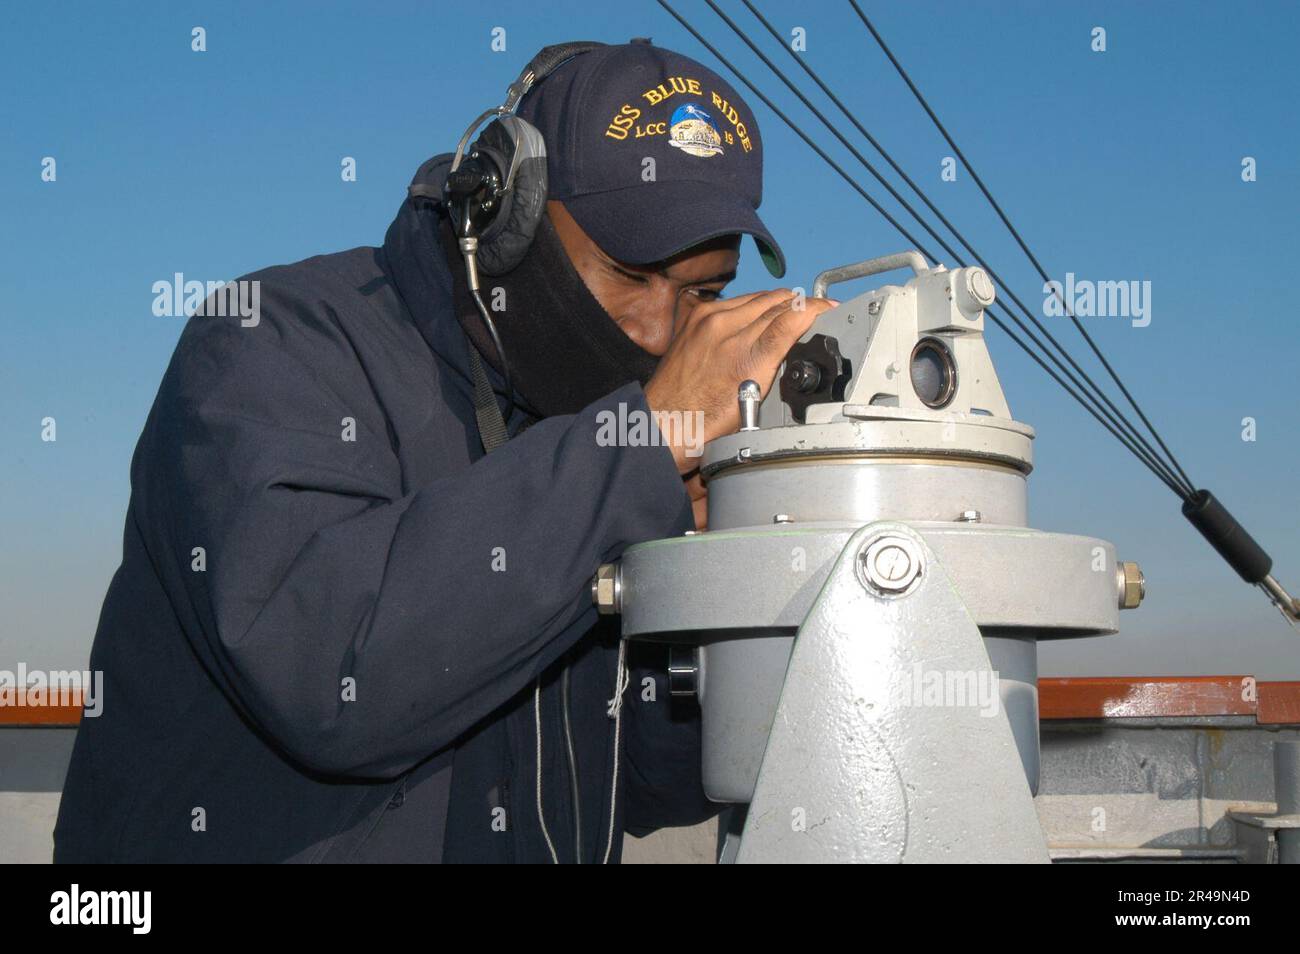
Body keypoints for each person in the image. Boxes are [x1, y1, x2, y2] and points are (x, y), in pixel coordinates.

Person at [53, 38, 834, 863]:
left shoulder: (601, 453)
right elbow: (327, 676)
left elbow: (639, 782)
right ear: (503, 214)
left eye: (703, 294)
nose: (656, 331)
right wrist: (641, 449)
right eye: (628, 273)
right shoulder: (273, 338)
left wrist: (727, 590)